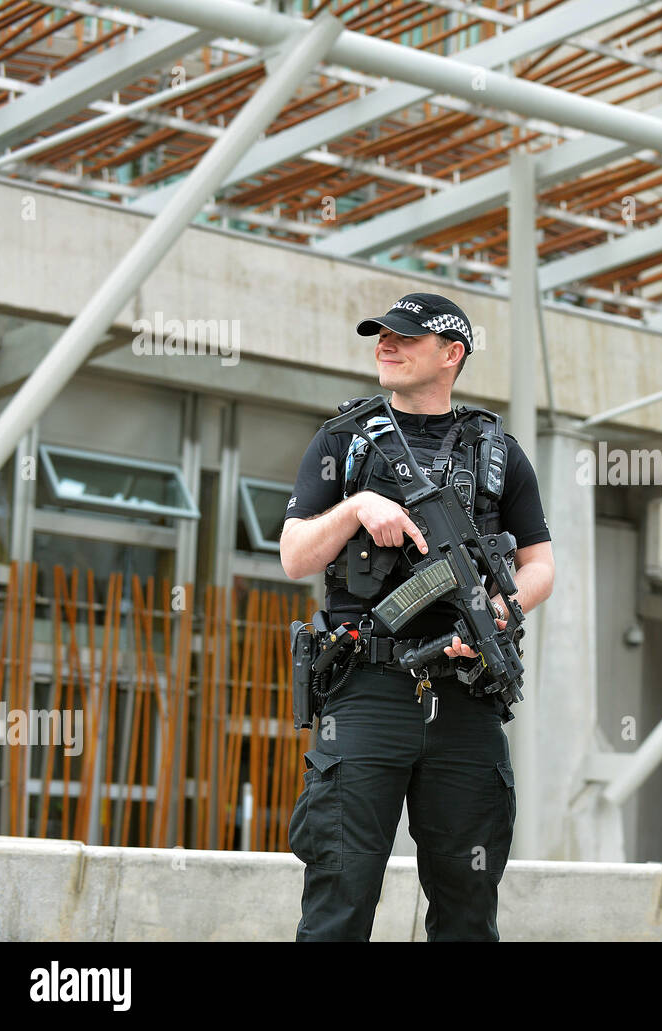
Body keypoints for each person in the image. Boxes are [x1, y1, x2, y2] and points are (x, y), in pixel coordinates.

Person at [280, 292, 555, 941]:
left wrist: (498, 607)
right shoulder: (342, 439)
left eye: (404, 336)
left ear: (451, 353)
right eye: (381, 335)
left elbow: (542, 564)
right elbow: (294, 553)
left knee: (466, 905)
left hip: (465, 696)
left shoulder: (498, 450)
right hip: (367, 688)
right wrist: (354, 510)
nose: (386, 344)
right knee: (339, 898)